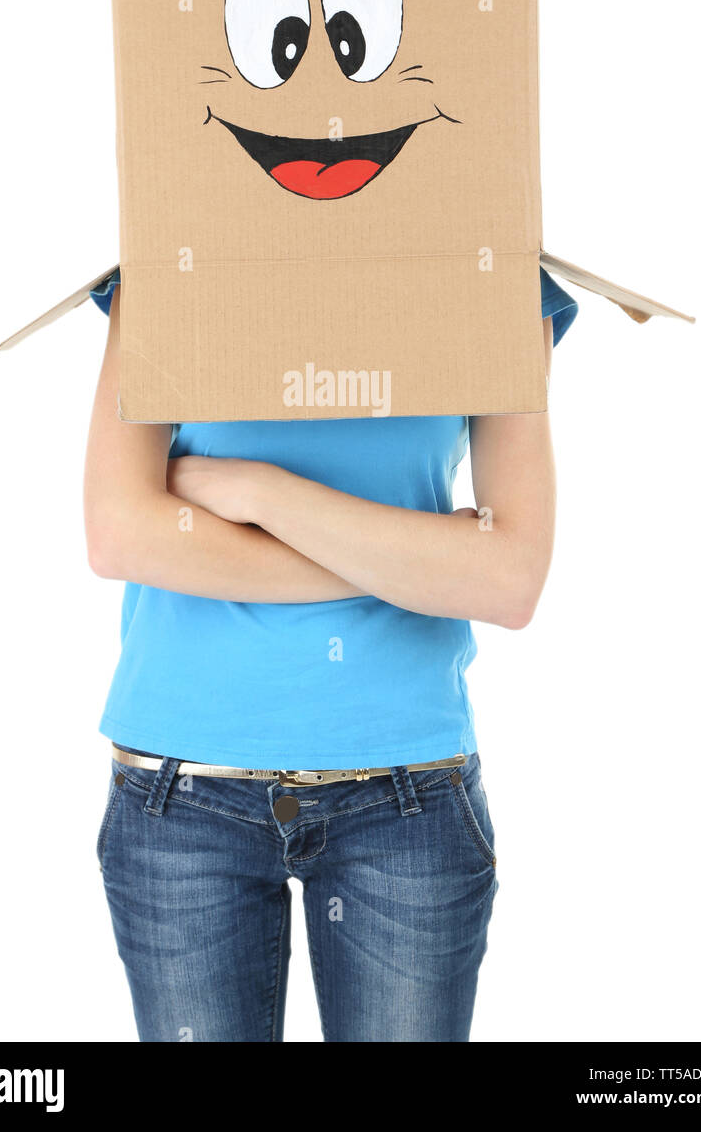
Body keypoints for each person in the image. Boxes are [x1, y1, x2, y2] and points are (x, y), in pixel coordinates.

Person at [84, 268, 577, 1042]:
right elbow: (120, 534)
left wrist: (259, 493)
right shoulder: (174, 263)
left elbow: (509, 579)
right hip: (183, 799)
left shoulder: (492, 277)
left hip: (405, 796)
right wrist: (408, 565)